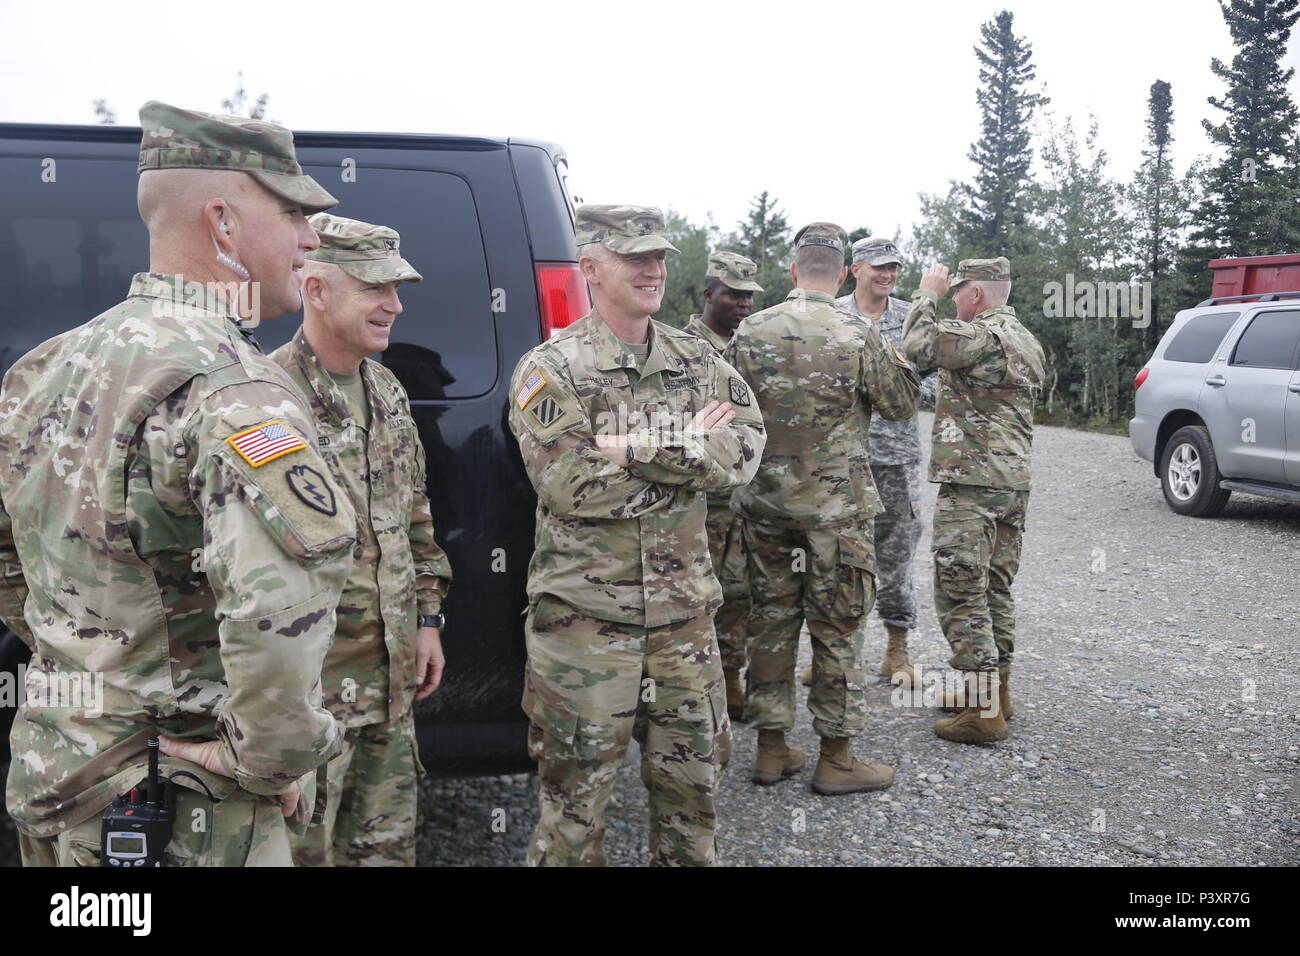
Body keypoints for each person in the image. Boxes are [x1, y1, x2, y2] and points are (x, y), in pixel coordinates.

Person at [0, 101, 355, 866]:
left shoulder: (41, 368)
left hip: (59, 777)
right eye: (293, 211)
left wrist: (98, 676)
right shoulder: (234, 388)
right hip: (181, 805)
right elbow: (279, 614)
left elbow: (14, 568)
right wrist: (266, 761)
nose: (310, 236)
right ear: (223, 224)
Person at [507, 204, 765, 865]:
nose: (653, 269)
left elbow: (742, 456)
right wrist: (690, 450)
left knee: (693, 809)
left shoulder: (696, 360)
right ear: (590, 267)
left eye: (659, 258)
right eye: (636, 258)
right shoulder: (551, 369)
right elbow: (572, 487)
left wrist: (636, 444)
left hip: (684, 626)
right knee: (572, 820)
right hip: (586, 632)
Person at [269, 213, 453, 866]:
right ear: (316, 289)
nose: (395, 306)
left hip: (390, 688)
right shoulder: (265, 400)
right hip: (309, 707)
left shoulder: (387, 391)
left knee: (384, 854)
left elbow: (416, 521)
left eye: (397, 289)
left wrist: (427, 620)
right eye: (375, 288)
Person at [725, 223, 919, 794]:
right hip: (837, 512)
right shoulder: (858, 330)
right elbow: (902, 405)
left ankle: (770, 749)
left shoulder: (750, 330)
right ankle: (836, 758)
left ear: (792, 273)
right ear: (840, 275)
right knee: (836, 628)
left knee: (771, 623)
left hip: (764, 506)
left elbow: (727, 408)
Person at [900, 258, 1046, 743]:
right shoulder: (1025, 338)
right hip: (1012, 485)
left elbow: (917, 346)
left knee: (960, 590)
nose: (954, 299)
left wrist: (926, 293)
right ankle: (996, 694)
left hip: (973, 485)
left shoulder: (980, 336)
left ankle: (983, 715)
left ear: (974, 294)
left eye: (957, 291)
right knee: (994, 591)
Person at [804, 237, 935, 686]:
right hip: (840, 458)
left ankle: (897, 653)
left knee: (896, 557)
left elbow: (937, 379)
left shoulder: (909, 318)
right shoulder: (831, 315)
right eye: (879, 267)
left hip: (896, 459)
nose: (888, 274)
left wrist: (896, 391)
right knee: (834, 561)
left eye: (893, 267)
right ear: (855, 269)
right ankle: (836, 657)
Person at [683, 250, 763, 720]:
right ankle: (699, 687)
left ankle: (732, 677)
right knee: (704, 592)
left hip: (748, 497)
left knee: (741, 592)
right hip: (706, 500)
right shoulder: (684, 348)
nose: (743, 304)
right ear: (709, 293)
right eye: (734, 294)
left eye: (749, 296)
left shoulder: (754, 346)